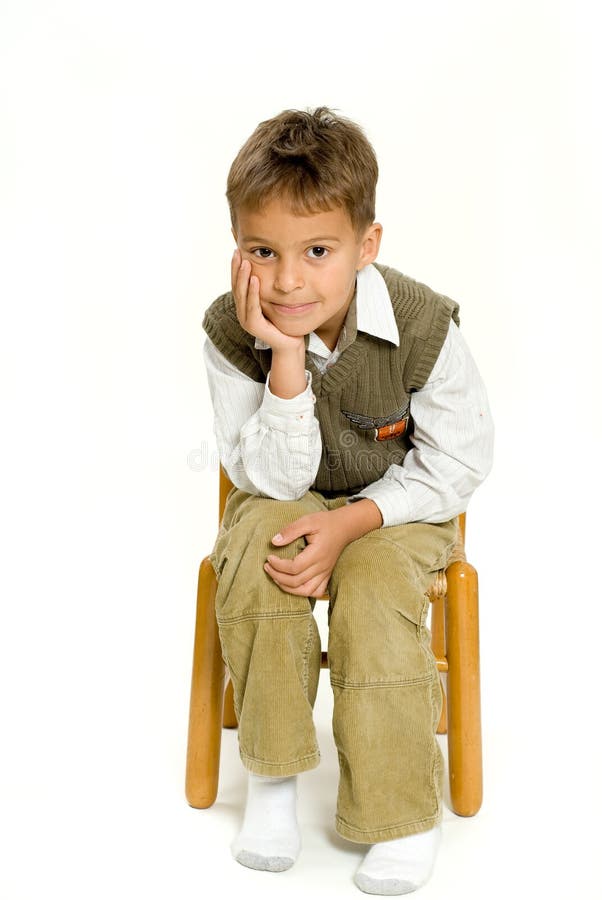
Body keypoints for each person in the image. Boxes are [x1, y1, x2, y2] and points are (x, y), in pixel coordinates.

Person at [201, 106, 494, 895]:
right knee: (264, 547)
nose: (287, 280)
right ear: (237, 247)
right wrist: (284, 358)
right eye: (263, 251)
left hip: (399, 512)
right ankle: (272, 781)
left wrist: (355, 521)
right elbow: (266, 481)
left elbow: (459, 460)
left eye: (318, 251)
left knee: (370, 584)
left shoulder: (424, 325)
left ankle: (401, 813)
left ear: (366, 247)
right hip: (285, 497)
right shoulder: (232, 332)